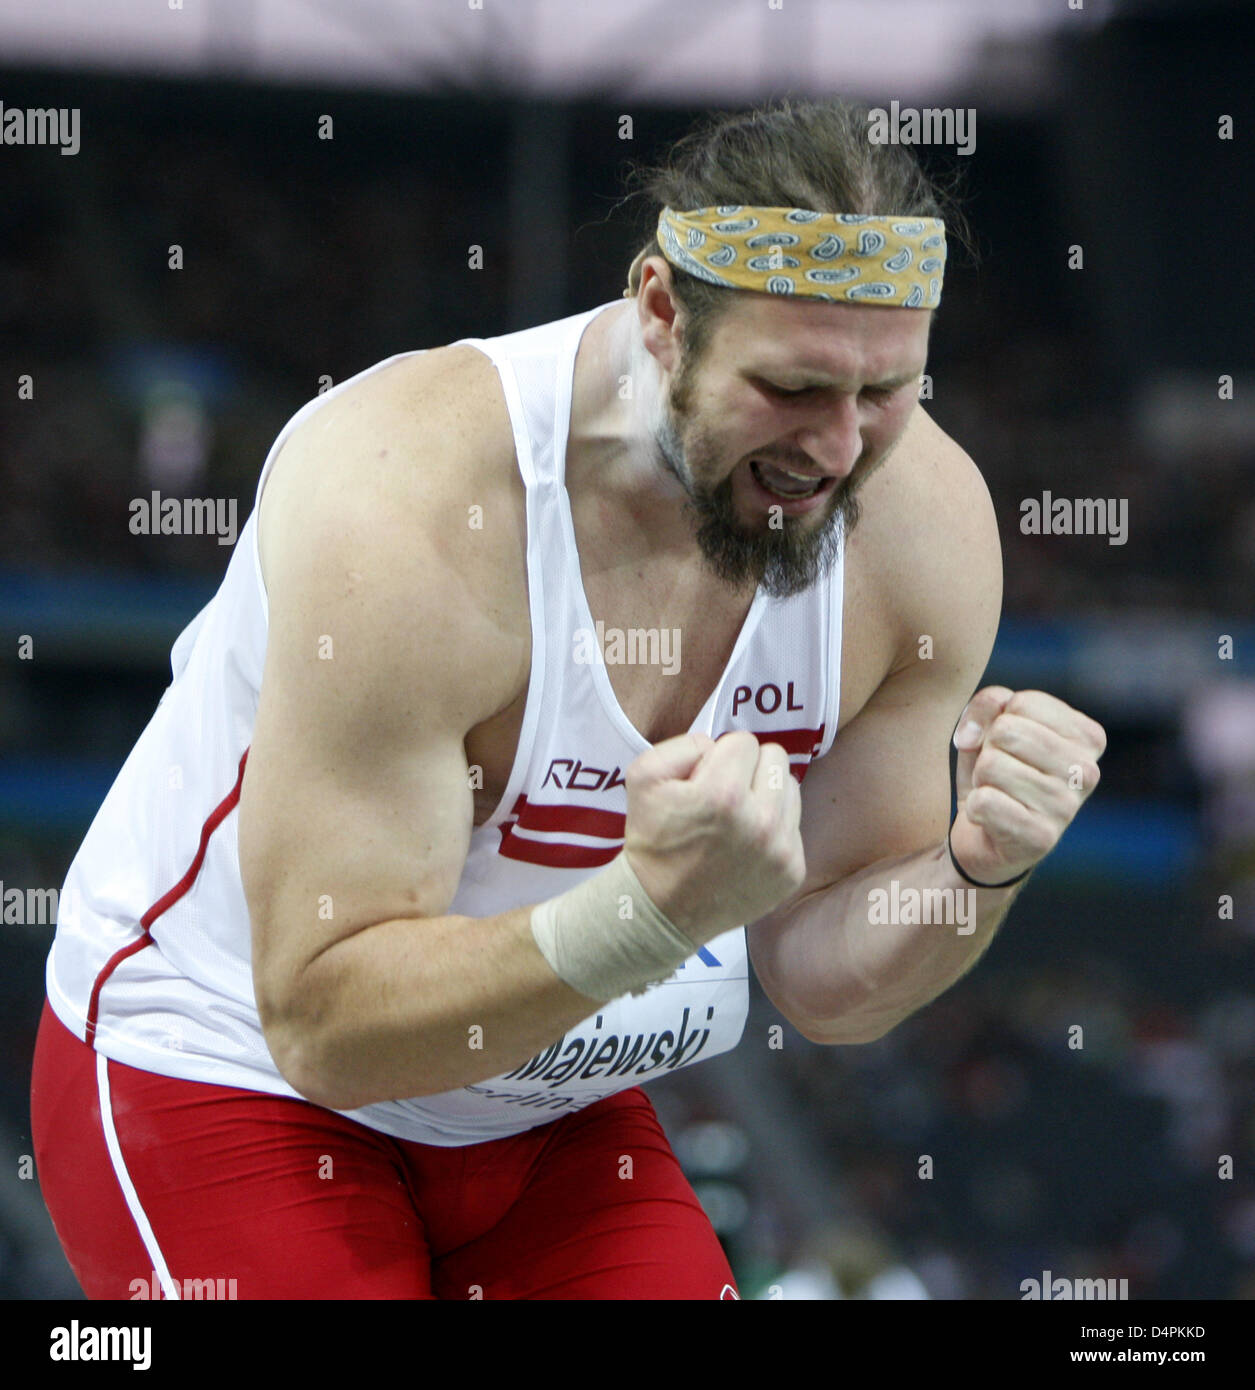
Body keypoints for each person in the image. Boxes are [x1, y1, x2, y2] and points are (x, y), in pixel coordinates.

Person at [31, 99, 1105, 1300]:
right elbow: (322, 1025)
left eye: (886, 391)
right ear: (660, 311)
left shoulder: (923, 532)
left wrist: (976, 871)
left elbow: (818, 978)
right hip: (224, 1068)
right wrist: (648, 915)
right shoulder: (415, 500)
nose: (840, 449)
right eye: (792, 386)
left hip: (541, 1101)